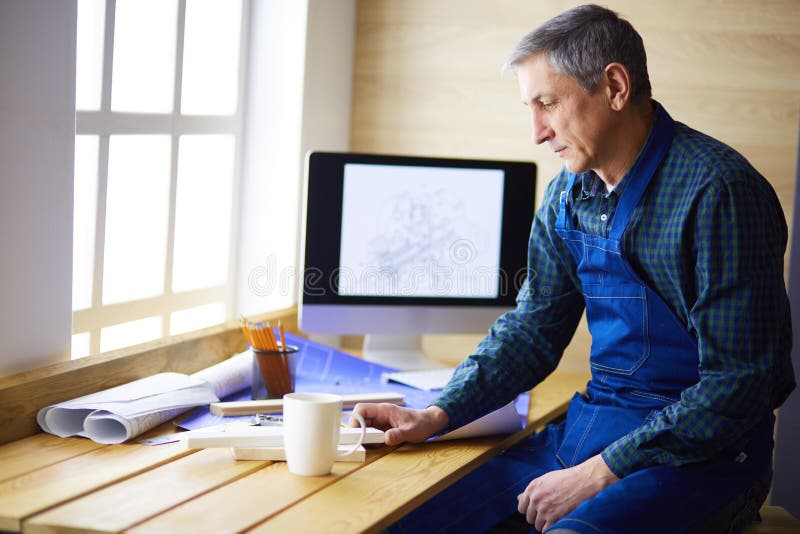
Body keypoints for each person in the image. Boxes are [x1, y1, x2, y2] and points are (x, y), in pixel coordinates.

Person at [352, 4, 795, 534]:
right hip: (596, 428)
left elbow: (739, 386)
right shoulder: (565, 196)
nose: (537, 132)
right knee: (404, 518)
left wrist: (598, 475)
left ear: (614, 87)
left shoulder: (720, 193)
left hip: (707, 462)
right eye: (529, 107)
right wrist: (437, 415)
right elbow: (532, 332)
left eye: (547, 103)